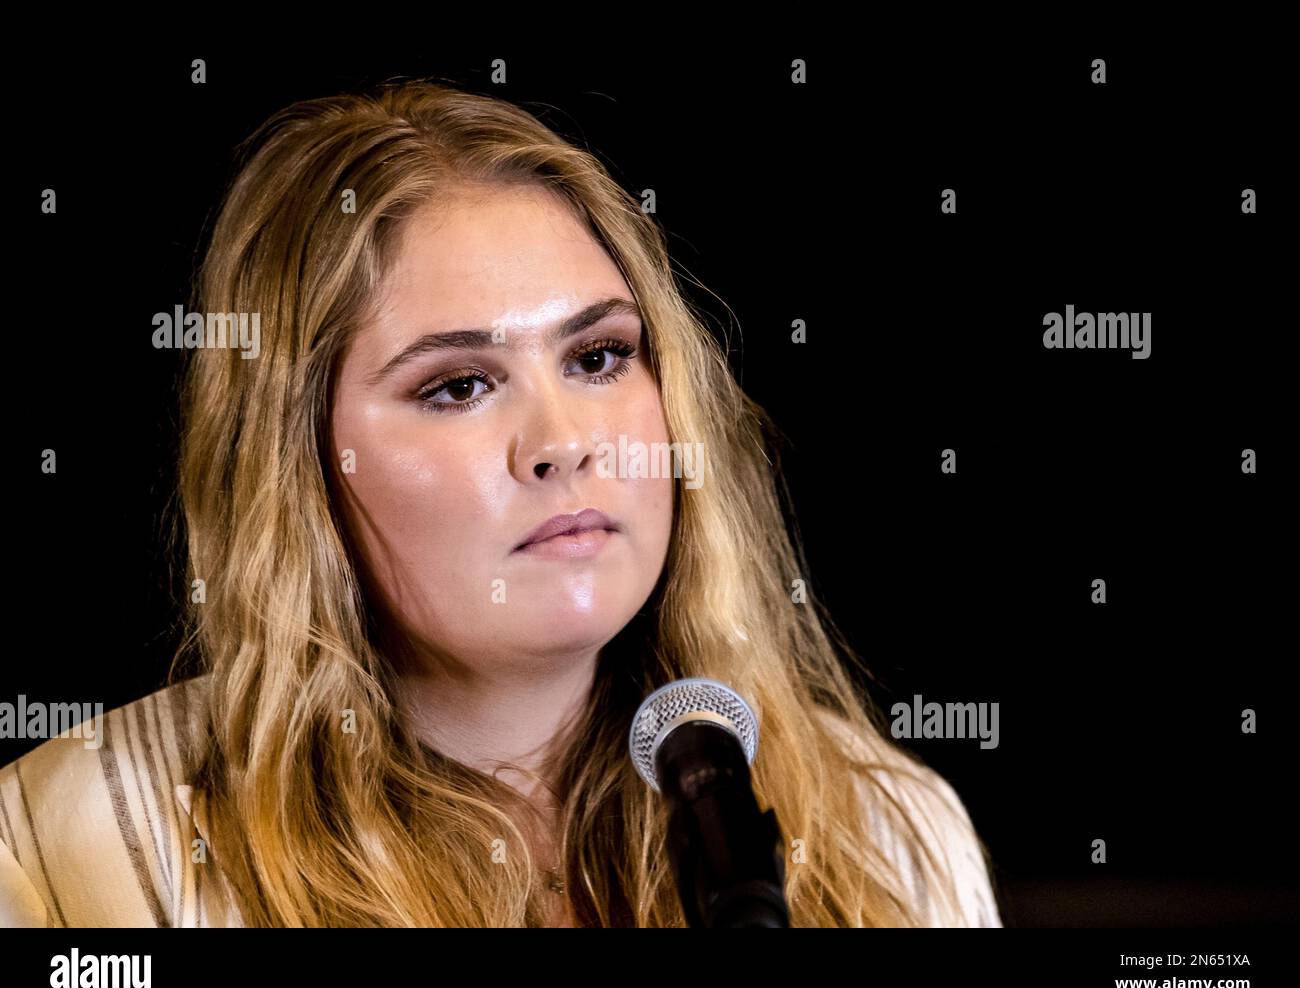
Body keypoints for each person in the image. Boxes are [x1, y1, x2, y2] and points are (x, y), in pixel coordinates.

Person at [0, 79, 1001, 928]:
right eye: (458, 385)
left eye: (600, 356)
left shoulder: (891, 837)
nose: (565, 440)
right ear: (299, 460)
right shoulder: (66, 846)